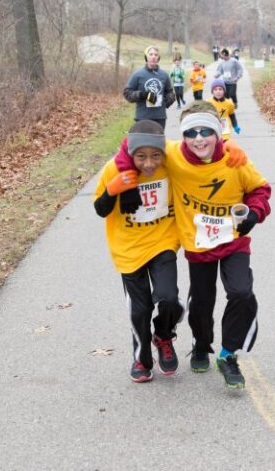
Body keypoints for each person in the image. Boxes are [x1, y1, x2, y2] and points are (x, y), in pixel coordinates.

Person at [115, 101, 270, 390]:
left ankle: (228, 354)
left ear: (217, 132)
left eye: (206, 132)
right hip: (199, 245)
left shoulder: (235, 159)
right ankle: (201, 345)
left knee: (241, 291)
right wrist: (124, 185)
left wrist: (254, 213)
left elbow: (260, 190)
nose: (199, 139)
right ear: (183, 136)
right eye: (191, 132)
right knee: (201, 301)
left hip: (234, 240)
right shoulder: (173, 154)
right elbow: (130, 144)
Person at [93, 120, 183, 383]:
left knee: (169, 298)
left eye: (156, 155)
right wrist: (113, 189)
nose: (149, 163)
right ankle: (142, 359)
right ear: (131, 154)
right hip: (128, 248)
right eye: (141, 157)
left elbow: (200, 149)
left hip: (162, 241)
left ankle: (163, 336)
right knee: (140, 310)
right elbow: (100, 209)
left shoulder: (170, 164)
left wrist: (232, 147)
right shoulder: (113, 169)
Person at [123, 45, 176, 129]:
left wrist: (168, 100)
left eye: (156, 54)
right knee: (143, 142)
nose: (153, 57)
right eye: (150, 54)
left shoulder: (164, 75)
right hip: (142, 117)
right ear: (146, 57)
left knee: (158, 142)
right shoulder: (138, 75)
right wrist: (141, 95)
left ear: (158, 58)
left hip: (160, 117)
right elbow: (127, 93)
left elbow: (170, 92)